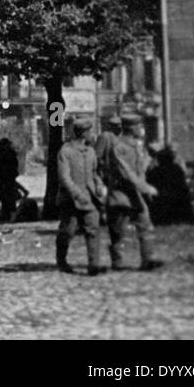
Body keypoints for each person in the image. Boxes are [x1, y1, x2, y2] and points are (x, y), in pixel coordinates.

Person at [99, 114, 163, 271]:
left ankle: (148, 259)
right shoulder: (118, 147)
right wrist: (145, 187)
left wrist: (151, 157)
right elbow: (125, 172)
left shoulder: (138, 146)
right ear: (131, 128)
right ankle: (118, 262)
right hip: (121, 194)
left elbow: (140, 169)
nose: (141, 129)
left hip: (136, 195)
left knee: (145, 224)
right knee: (118, 231)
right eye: (139, 126)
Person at [56, 117, 107, 276]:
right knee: (68, 231)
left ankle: (94, 265)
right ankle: (61, 261)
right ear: (83, 133)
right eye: (90, 131)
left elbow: (94, 173)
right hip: (71, 200)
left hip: (90, 198)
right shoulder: (66, 151)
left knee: (93, 229)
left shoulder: (90, 151)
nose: (92, 134)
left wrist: (99, 185)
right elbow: (64, 178)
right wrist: (77, 194)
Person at [0, 138, 20, 222]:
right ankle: (8, 215)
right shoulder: (11, 154)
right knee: (8, 199)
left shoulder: (4, 155)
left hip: (5, 179)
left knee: (7, 198)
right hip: (8, 179)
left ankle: (9, 216)